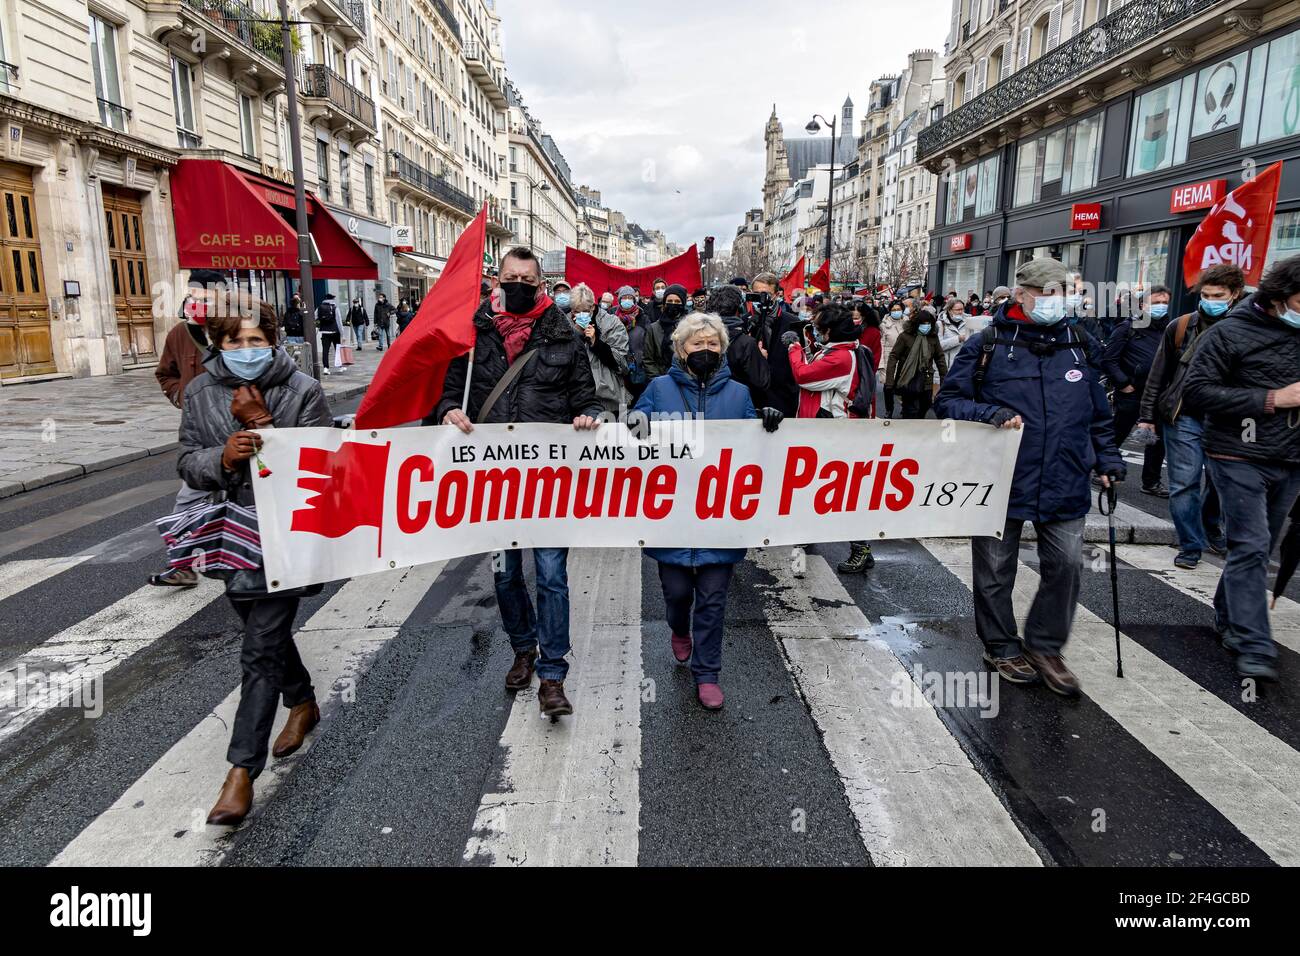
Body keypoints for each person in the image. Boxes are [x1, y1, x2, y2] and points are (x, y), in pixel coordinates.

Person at [935, 257, 1125, 696]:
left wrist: (1109, 460)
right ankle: (1001, 645)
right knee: (996, 570)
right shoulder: (988, 343)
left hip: (1066, 476)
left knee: (1066, 565)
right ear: (1022, 295)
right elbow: (949, 402)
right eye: (1049, 293)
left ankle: (1045, 646)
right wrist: (992, 413)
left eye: (1065, 293)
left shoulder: (1079, 343)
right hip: (1001, 479)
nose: (1059, 302)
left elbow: (1098, 413)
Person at [179, 299, 333, 826]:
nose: (246, 351)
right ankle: (304, 701)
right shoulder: (199, 392)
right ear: (218, 345)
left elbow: (320, 463)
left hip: (287, 535)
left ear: (272, 339)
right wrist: (222, 457)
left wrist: (265, 430)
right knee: (262, 636)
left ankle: (240, 772)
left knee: (259, 649)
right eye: (234, 342)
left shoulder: (303, 389)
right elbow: (186, 458)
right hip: (231, 534)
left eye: (255, 340)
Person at [432, 246, 602, 718]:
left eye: (527, 280)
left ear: (541, 285)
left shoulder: (563, 335)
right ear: (496, 281)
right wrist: (448, 409)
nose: (519, 285)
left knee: (550, 574)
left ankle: (552, 673)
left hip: (549, 480)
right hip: (495, 480)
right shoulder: (473, 335)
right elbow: (448, 393)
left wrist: (588, 415)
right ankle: (522, 648)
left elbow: (587, 398)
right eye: (511, 278)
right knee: (506, 573)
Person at [632, 312, 784, 710]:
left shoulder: (738, 393)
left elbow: (754, 445)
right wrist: (637, 423)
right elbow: (632, 429)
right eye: (696, 344)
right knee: (678, 594)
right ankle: (678, 629)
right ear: (681, 349)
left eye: (712, 344)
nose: (705, 350)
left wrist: (767, 421)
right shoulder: (659, 387)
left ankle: (707, 673)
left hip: (721, 517)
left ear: (722, 349)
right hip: (672, 514)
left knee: (714, 600)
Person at [1182, 254, 1300, 682]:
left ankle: (1230, 618)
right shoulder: (1232, 332)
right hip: (1238, 452)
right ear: (1282, 297)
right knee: (1250, 544)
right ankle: (1255, 644)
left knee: (1258, 547)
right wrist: (1272, 399)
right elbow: (1196, 392)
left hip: (1291, 457)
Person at [1137, 265, 1239, 569]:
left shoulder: (1245, 329)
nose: (1210, 300)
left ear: (1234, 295)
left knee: (1222, 482)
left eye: (1218, 295)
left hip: (1227, 419)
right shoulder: (1180, 326)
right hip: (1183, 416)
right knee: (1184, 483)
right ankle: (1191, 544)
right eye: (1205, 295)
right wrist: (1147, 415)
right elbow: (1159, 374)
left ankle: (1211, 527)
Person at [784, 304, 877, 574]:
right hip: (829, 430)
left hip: (836, 432)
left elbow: (804, 376)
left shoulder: (841, 358)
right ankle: (809, 534)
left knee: (842, 492)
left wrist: (794, 349)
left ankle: (861, 548)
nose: (816, 330)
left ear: (831, 330)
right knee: (820, 486)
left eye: (820, 327)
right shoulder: (840, 350)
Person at [151, 269, 226, 589]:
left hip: (242, 431)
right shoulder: (180, 334)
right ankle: (182, 565)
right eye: (194, 296)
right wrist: (182, 396)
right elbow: (165, 373)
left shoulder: (238, 328)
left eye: (206, 297)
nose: (198, 302)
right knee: (188, 498)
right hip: (201, 438)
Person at [1104, 285, 1172, 497]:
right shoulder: (1127, 328)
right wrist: (1124, 384)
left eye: (1164, 302)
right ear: (1143, 305)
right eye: (1156, 302)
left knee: (1157, 438)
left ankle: (1151, 482)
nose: (1161, 306)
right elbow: (1109, 359)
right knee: (1119, 429)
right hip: (1132, 391)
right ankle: (1103, 467)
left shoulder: (1171, 329)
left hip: (1159, 393)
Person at [569, 282, 630, 415]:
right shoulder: (566, 323)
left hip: (608, 399)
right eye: (576, 312)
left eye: (585, 311)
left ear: (592, 307)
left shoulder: (612, 323)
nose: (581, 315)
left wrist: (596, 343)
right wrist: (576, 334)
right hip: (575, 398)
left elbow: (622, 364)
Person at [708, 283, 770, 408]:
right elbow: (761, 383)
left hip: (708, 405)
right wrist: (761, 358)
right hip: (738, 407)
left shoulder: (700, 336)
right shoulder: (746, 344)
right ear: (740, 308)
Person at [752, 271, 800, 417]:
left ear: (777, 295)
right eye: (756, 294)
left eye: (765, 294)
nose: (760, 299)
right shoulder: (746, 322)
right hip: (754, 400)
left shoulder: (793, 322)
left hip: (783, 400)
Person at [885, 306, 947, 419]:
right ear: (916, 324)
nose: (926, 326)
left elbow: (940, 357)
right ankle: (908, 428)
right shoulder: (905, 337)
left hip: (926, 377)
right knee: (910, 410)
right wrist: (890, 379)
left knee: (926, 404)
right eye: (923, 323)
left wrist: (944, 376)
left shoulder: (933, 337)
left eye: (928, 323)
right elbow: (894, 356)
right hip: (908, 378)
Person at [643, 283, 688, 380]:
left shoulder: (691, 326)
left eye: (677, 301)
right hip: (661, 378)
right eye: (670, 301)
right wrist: (658, 380)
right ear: (664, 303)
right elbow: (648, 360)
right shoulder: (653, 328)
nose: (673, 304)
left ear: (683, 303)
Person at [613, 283, 651, 398]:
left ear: (634, 300)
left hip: (638, 368)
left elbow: (648, 344)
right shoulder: (613, 318)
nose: (627, 300)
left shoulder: (643, 318)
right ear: (619, 300)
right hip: (618, 367)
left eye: (630, 298)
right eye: (624, 298)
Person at [316, 293, 340, 374]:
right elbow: (339, 322)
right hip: (334, 331)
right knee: (337, 349)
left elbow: (314, 317)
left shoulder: (320, 307)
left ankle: (326, 368)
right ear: (332, 299)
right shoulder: (335, 307)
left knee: (325, 350)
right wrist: (342, 334)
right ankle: (340, 366)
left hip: (324, 332)